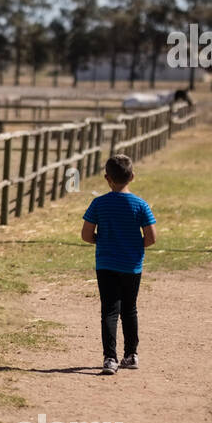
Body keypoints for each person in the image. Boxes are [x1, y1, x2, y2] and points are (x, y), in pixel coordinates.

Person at [80, 154, 156, 375]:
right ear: (132, 176)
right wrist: (133, 246)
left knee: (109, 311)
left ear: (106, 178)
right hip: (132, 265)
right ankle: (131, 355)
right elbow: (151, 238)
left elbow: (86, 234)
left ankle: (110, 359)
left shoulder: (98, 203)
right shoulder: (141, 205)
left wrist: (101, 241)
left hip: (106, 263)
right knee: (129, 309)